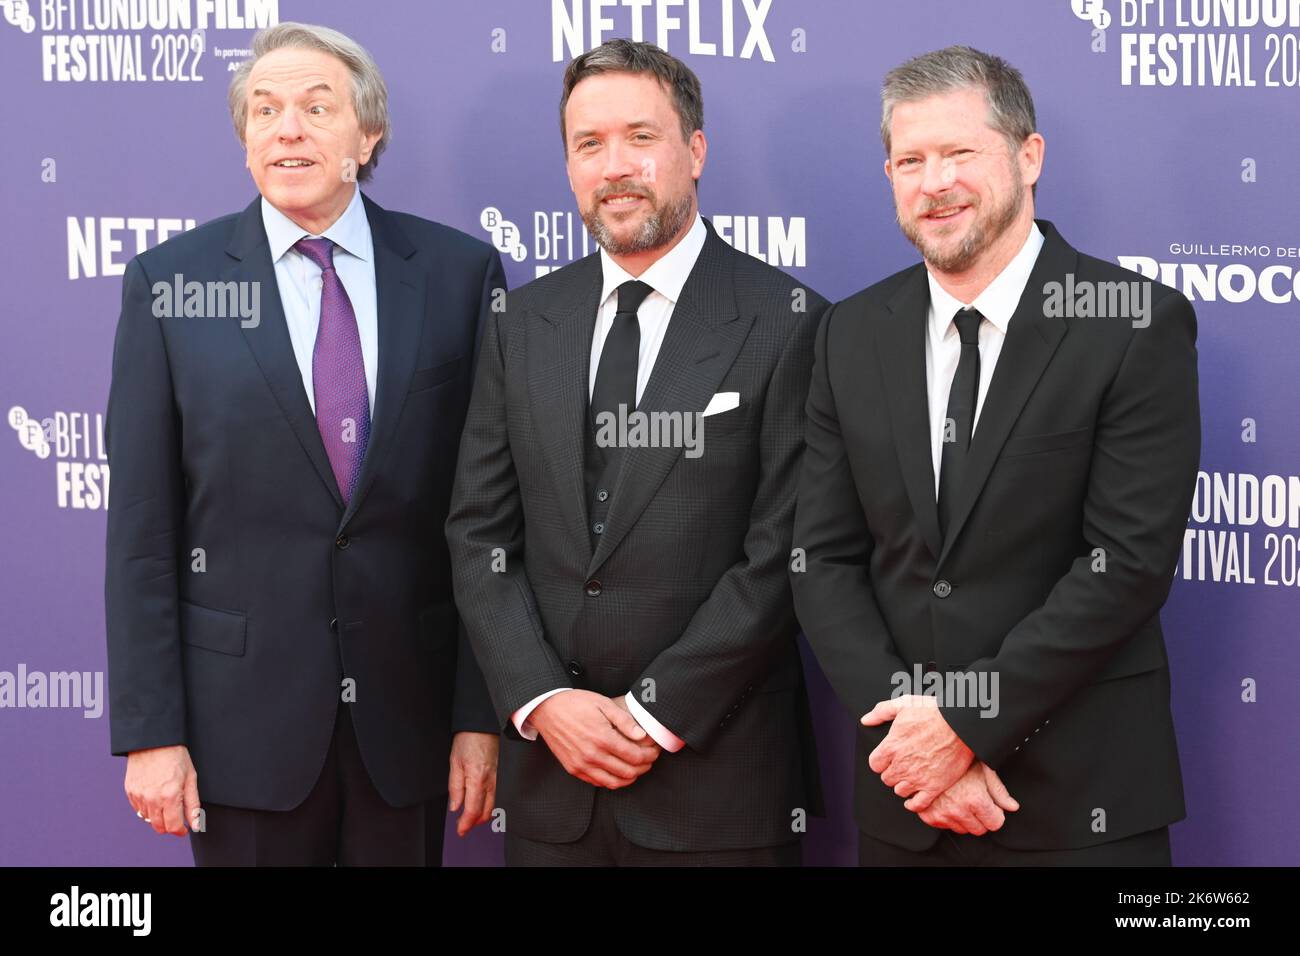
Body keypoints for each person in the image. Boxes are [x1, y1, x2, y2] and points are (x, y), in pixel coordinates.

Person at [105, 22, 503, 866]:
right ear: (246, 140)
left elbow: (489, 522)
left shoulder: (459, 277)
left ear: (369, 134)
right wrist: (150, 732)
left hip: (409, 725)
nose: (287, 127)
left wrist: (479, 715)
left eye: (317, 107)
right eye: (266, 109)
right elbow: (142, 530)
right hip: (239, 735)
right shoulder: (170, 285)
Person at [791, 45, 1199, 866]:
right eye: (910, 160)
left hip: (1081, 802)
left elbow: (1125, 563)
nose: (933, 182)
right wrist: (917, 744)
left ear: (1028, 156)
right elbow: (823, 560)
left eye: (958, 153)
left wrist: (964, 729)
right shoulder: (849, 333)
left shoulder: (1131, 323)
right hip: (908, 799)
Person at [445, 39, 825, 866]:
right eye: (589, 144)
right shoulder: (522, 322)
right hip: (551, 789)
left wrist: (650, 715)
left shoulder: (788, 318)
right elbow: (479, 534)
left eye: (640, 137)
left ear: (694, 150)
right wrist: (544, 700)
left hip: (716, 787)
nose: (614, 166)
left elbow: (785, 554)